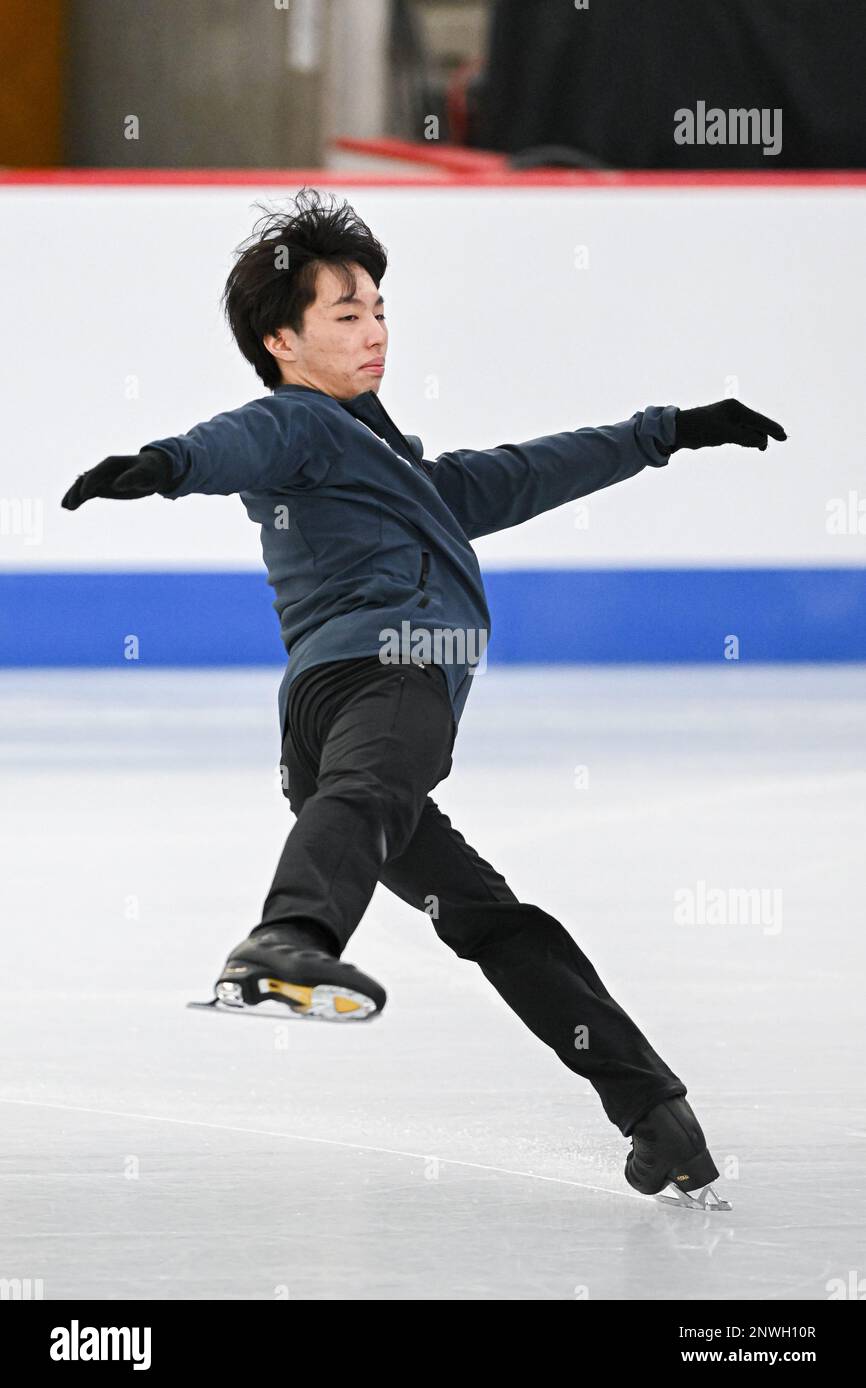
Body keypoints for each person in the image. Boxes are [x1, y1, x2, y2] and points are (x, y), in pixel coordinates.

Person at [61, 188, 786, 1208]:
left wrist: (665, 430)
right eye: (344, 314)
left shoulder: (392, 468)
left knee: (491, 919)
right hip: (380, 679)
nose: (373, 331)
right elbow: (243, 441)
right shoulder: (300, 423)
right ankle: (289, 938)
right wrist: (169, 465)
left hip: (333, 721)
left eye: (379, 309)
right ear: (282, 338)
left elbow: (525, 472)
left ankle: (653, 1116)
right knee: (366, 792)